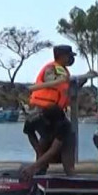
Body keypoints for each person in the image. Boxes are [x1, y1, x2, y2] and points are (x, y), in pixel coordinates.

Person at [22, 45, 78, 177]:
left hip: (56, 112)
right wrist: (39, 153)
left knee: (61, 143)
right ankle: (39, 169)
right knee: (44, 141)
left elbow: (67, 91)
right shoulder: (51, 68)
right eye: (69, 56)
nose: (71, 59)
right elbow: (50, 81)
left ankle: (65, 175)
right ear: (62, 56)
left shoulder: (65, 72)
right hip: (43, 108)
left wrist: (78, 83)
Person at [22, 105, 75, 177]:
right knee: (41, 147)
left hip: (66, 137)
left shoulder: (64, 124)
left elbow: (53, 150)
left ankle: (72, 179)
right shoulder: (32, 119)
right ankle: (40, 171)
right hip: (45, 136)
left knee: (68, 166)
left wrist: (32, 167)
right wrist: (38, 150)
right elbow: (29, 132)